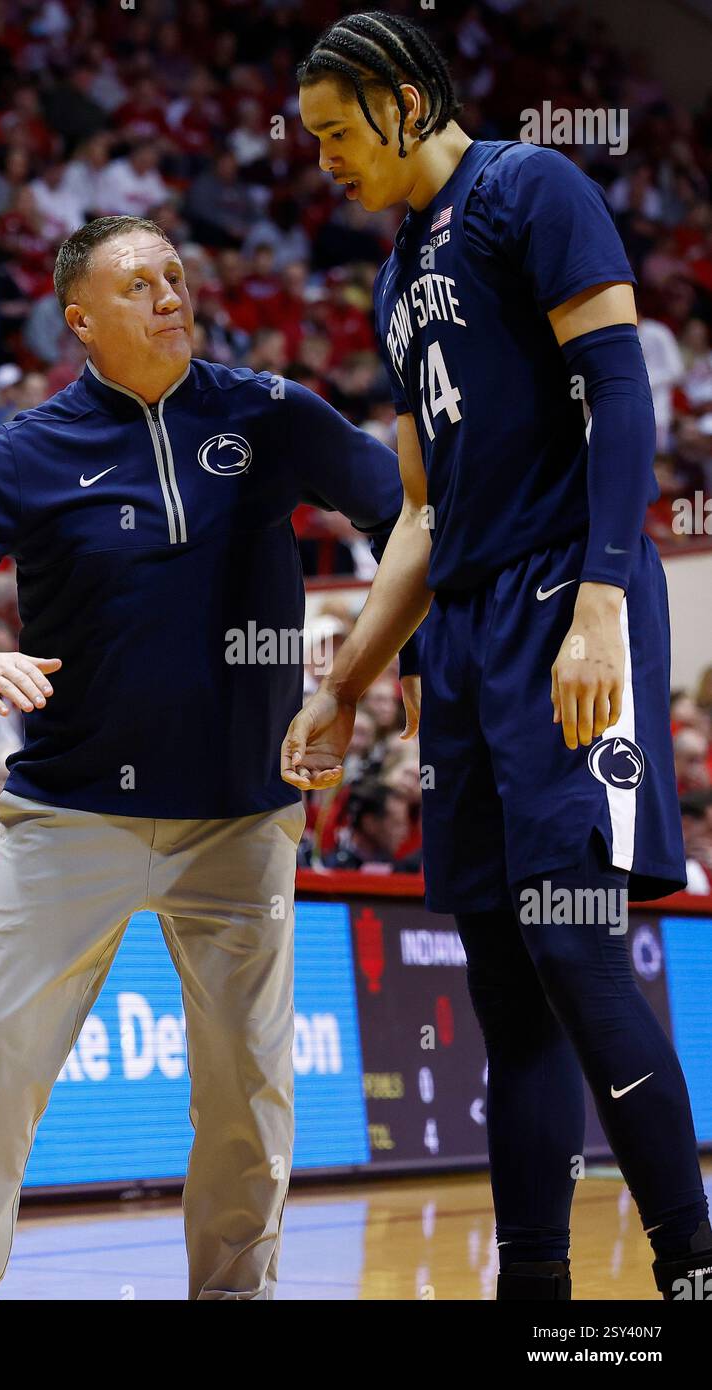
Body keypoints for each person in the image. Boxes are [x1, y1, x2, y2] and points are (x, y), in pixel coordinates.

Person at [0, 213, 420, 1302]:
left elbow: (409, 511)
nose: (170, 294)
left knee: (248, 1088)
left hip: (241, 811)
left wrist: (355, 674)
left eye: (176, 274)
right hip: (71, 814)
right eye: (138, 284)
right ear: (80, 319)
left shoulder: (268, 413)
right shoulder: (25, 449)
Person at [284, 10, 711, 1302]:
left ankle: (688, 1270)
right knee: (504, 981)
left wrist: (598, 602)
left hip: (562, 606)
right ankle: (532, 1289)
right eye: (309, 141)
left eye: (337, 131)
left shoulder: (532, 184)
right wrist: (346, 683)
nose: (323, 161)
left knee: (575, 942)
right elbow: (420, 511)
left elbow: (618, 389)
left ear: (406, 101)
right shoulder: (390, 273)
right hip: (463, 639)